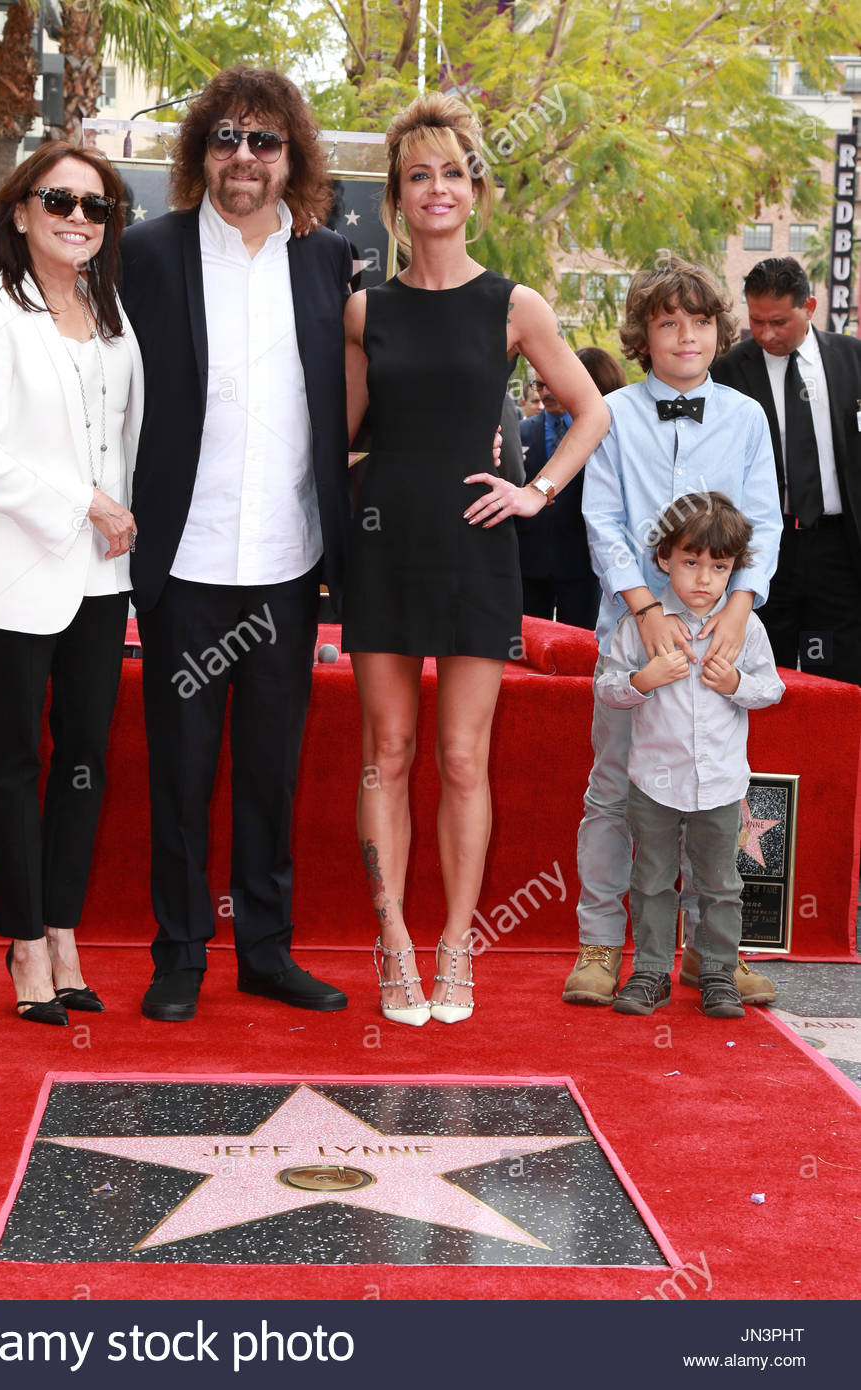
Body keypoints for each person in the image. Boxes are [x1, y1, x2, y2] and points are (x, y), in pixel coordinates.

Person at [343, 92, 610, 1026]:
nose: (436, 189)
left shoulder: (513, 303)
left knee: (461, 756)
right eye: (419, 175)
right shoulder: (362, 308)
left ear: (475, 190)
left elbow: (592, 411)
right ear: (396, 196)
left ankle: (458, 944)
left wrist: (534, 492)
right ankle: (393, 944)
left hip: (474, 549)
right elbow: (337, 440)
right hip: (382, 550)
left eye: (452, 173)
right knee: (387, 751)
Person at [119, 67, 351, 1022]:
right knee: (176, 774)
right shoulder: (147, 252)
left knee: (270, 772)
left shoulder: (328, 260)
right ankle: (179, 954)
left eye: (263, 141)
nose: (243, 157)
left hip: (288, 567)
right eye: (224, 139)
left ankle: (265, 950)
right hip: (182, 562)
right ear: (198, 153)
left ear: (291, 158)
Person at [0, 142, 142, 1024]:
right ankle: (23, 943)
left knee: (86, 760)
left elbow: (125, 440)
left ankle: (64, 932)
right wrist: (85, 502)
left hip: (103, 578)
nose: (76, 217)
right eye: (58, 199)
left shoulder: (113, 318)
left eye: (94, 206)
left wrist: (117, 515)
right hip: (22, 570)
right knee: (17, 759)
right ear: (21, 211)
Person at [568, 257, 783, 1007]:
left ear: (718, 329)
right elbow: (601, 519)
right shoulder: (614, 413)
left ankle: (705, 955)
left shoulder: (746, 417)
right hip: (634, 630)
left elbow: (762, 518)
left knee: (709, 797)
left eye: (697, 321)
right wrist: (642, 605)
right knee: (613, 791)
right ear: (643, 335)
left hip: (719, 631)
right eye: (667, 323)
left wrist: (738, 605)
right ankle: (599, 943)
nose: (684, 336)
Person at [598, 494, 784, 1017]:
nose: (704, 578)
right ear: (664, 560)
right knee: (652, 879)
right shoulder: (641, 627)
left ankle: (718, 971)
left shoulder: (745, 627)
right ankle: (651, 971)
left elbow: (771, 689)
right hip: (654, 781)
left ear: (734, 569)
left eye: (719, 566)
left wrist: (736, 684)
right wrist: (642, 680)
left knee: (721, 884)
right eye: (690, 562)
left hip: (721, 783)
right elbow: (608, 688)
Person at [711, 256, 861, 686]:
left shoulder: (852, 361)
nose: (765, 334)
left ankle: (832, 754)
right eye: (756, 321)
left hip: (839, 550)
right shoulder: (727, 372)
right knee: (761, 669)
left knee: (837, 673)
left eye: (778, 321)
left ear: (809, 307)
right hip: (761, 548)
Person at [517, 352, 624, 631]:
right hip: (529, 563)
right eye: (539, 385)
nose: (546, 392)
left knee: (581, 651)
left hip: (583, 566)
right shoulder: (521, 432)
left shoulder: (605, 433)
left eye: (551, 382)